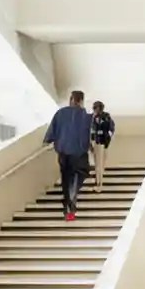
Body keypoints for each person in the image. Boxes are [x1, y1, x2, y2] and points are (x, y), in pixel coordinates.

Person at [43, 90, 92, 221]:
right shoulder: (85, 116)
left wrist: (47, 142)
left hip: (63, 153)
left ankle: (68, 207)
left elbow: (51, 132)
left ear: (71, 99)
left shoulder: (60, 114)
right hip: (79, 152)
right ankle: (72, 198)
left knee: (66, 179)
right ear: (81, 101)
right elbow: (90, 135)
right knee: (81, 173)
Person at [90, 100, 116, 192]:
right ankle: (98, 182)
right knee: (98, 164)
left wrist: (107, 137)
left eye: (95, 108)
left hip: (102, 142)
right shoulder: (93, 118)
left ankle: (99, 183)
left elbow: (111, 129)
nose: (94, 110)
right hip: (97, 142)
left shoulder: (106, 117)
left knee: (100, 164)